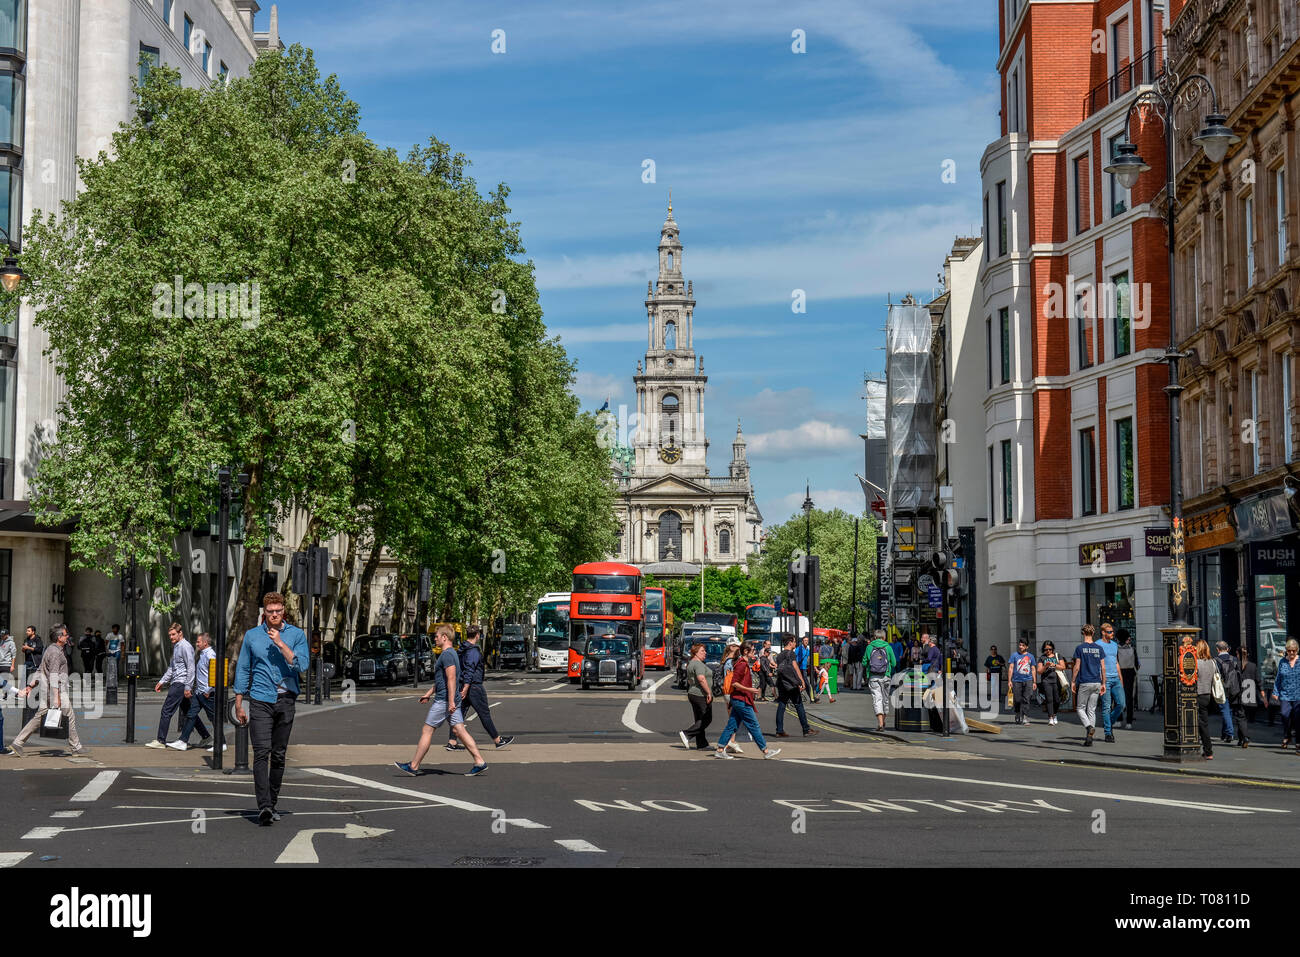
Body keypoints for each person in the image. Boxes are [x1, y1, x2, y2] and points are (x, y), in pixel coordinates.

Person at [233, 592, 311, 825]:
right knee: (261, 752)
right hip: (260, 700)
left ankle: (272, 802)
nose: (274, 615)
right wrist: (239, 702)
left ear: (283, 611)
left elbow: (302, 665)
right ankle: (264, 806)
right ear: (264, 612)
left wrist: (280, 643)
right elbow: (243, 668)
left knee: (278, 754)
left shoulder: (296, 635)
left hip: (286, 700)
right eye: (270, 611)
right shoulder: (252, 636)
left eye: (278, 611)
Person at [395, 624, 487, 778]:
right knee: (459, 730)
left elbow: (451, 679)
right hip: (449, 699)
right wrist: (429, 693)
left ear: (445, 637)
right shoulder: (451, 654)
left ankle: (413, 766)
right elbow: (442, 680)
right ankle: (479, 761)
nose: (435, 639)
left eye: (436, 636)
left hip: (444, 701)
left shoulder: (447, 655)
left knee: (427, 730)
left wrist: (450, 702)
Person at [9, 625, 84, 756]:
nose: (67, 636)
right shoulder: (55, 653)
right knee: (69, 716)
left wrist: (31, 685)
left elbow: (40, 670)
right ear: (59, 637)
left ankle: (17, 743)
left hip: (46, 690)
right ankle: (76, 747)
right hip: (55, 690)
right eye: (65, 634)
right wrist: (56, 697)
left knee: (39, 717)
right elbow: (54, 675)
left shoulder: (50, 649)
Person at [446, 625, 513, 751]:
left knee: (459, 714)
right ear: (477, 635)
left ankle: (452, 741)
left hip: (463, 685)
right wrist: (466, 687)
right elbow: (470, 670)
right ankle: (498, 740)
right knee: (484, 714)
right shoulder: (473, 651)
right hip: (474, 687)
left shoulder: (461, 649)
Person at [713, 642, 781, 760]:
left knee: (732, 726)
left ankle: (720, 750)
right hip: (741, 700)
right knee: (753, 725)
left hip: (739, 699)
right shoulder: (742, 665)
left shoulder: (742, 663)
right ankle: (766, 751)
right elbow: (734, 683)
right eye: (753, 650)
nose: (755, 652)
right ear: (745, 651)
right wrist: (750, 689)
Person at [145, 622, 195, 749]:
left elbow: (191, 667)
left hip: (180, 683)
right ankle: (206, 736)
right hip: (177, 682)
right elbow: (172, 667)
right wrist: (162, 681)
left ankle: (161, 740)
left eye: (173, 634)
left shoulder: (185, 646)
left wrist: (188, 687)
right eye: (170, 635)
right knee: (189, 711)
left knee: (166, 711)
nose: (171, 637)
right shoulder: (177, 647)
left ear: (180, 633)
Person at [171, 632, 217, 751]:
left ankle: (221, 743)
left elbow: (216, 674)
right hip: (199, 692)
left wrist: (209, 690)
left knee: (213, 718)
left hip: (207, 693)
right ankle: (183, 741)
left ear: (205, 643)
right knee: (191, 715)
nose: (196, 644)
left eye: (198, 642)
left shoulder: (211, 655)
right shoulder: (203, 654)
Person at [773, 636, 816, 737]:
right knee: (799, 705)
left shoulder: (779, 655)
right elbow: (795, 667)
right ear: (790, 643)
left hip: (782, 683)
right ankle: (806, 729)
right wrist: (802, 681)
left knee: (781, 705)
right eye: (794, 642)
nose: (795, 644)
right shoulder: (791, 653)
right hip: (791, 684)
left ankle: (779, 730)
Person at [1071, 624, 1106, 747]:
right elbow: (1103, 668)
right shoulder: (1099, 648)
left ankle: (1088, 727)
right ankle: (1089, 738)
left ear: (1083, 633)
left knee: (1080, 708)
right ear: (1093, 633)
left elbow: (1077, 667)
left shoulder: (1080, 648)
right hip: (1096, 682)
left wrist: (1073, 681)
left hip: (1085, 682)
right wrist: (1104, 683)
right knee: (1091, 710)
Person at [678, 642, 715, 750]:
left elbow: (691, 680)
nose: (705, 653)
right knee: (706, 719)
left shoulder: (691, 663)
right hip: (700, 694)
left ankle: (702, 744)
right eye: (702, 651)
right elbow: (701, 678)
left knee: (699, 719)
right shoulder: (698, 664)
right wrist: (708, 692)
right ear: (696, 652)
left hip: (693, 693)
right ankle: (687, 734)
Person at [1213, 640, 1246, 748]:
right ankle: (1225, 734)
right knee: (1229, 711)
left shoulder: (1216, 661)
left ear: (1217, 649)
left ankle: (1230, 733)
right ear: (1227, 649)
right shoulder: (1234, 659)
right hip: (1235, 688)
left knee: (1225, 710)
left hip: (1222, 689)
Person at [1096, 623, 1125, 742]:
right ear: (1103, 633)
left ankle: (1108, 722)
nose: (1112, 633)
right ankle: (1108, 733)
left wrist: (1120, 678)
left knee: (1121, 704)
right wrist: (1101, 680)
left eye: (1112, 631)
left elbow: (1116, 662)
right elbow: (1096, 664)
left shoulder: (1114, 645)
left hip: (1116, 679)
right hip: (1105, 680)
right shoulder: (1097, 644)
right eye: (1109, 632)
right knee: (1106, 707)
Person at [1270, 638, 1300, 751]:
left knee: (1298, 718)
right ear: (1286, 650)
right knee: (1284, 715)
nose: (1291, 653)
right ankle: (1287, 735)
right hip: (1285, 694)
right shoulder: (1282, 661)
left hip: (1298, 695)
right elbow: (1278, 678)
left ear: (1297, 650)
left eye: (1294, 650)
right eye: (1289, 650)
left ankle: (1298, 741)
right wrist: (1275, 692)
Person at [865, 629, 897, 730]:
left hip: (873, 676)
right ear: (884, 637)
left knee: (877, 699)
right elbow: (894, 663)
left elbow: (864, 662)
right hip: (886, 676)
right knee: (885, 699)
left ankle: (880, 723)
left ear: (875, 637)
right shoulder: (888, 647)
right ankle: (883, 721)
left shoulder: (869, 647)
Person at [1195, 639, 1216, 760]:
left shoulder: (1196, 663)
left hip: (1198, 694)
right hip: (1207, 695)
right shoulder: (1212, 662)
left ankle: (1207, 750)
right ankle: (1208, 750)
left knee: (1199, 724)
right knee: (1204, 723)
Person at [1008, 637, 1036, 725]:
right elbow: (1011, 668)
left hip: (1028, 680)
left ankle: (1025, 717)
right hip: (1016, 681)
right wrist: (1009, 681)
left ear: (1026, 647)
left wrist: (1034, 682)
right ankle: (1017, 713)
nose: (1020, 647)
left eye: (1023, 645)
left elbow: (1033, 669)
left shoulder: (1031, 656)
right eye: (1020, 645)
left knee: (1026, 699)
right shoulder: (1014, 655)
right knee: (1017, 699)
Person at [1037, 641, 1065, 726]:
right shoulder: (1042, 658)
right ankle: (1051, 717)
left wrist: (1054, 665)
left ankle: (1055, 714)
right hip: (1046, 681)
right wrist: (1045, 666)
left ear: (1052, 649)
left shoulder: (1058, 656)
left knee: (1057, 700)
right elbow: (1039, 671)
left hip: (1056, 681)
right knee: (1049, 699)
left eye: (1050, 649)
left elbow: (1063, 667)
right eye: (1046, 649)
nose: (1048, 651)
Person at [1116, 630, 1139, 728]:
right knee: (1129, 698)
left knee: (1117, 697)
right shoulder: (1132, 649)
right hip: (1130, 673)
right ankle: (1129, 722)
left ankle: (1119, 720)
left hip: (1119, 673)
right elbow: (1137, 664)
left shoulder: (1116, 649)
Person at [0, 630, 16, 754]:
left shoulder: (11, 642)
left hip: (6, 664)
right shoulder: (1, 642)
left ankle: (5, 694)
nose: (2, 636)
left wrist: (12, 665)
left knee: (4, 680)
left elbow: (13, 654)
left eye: (3, 634)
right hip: (1, 664)